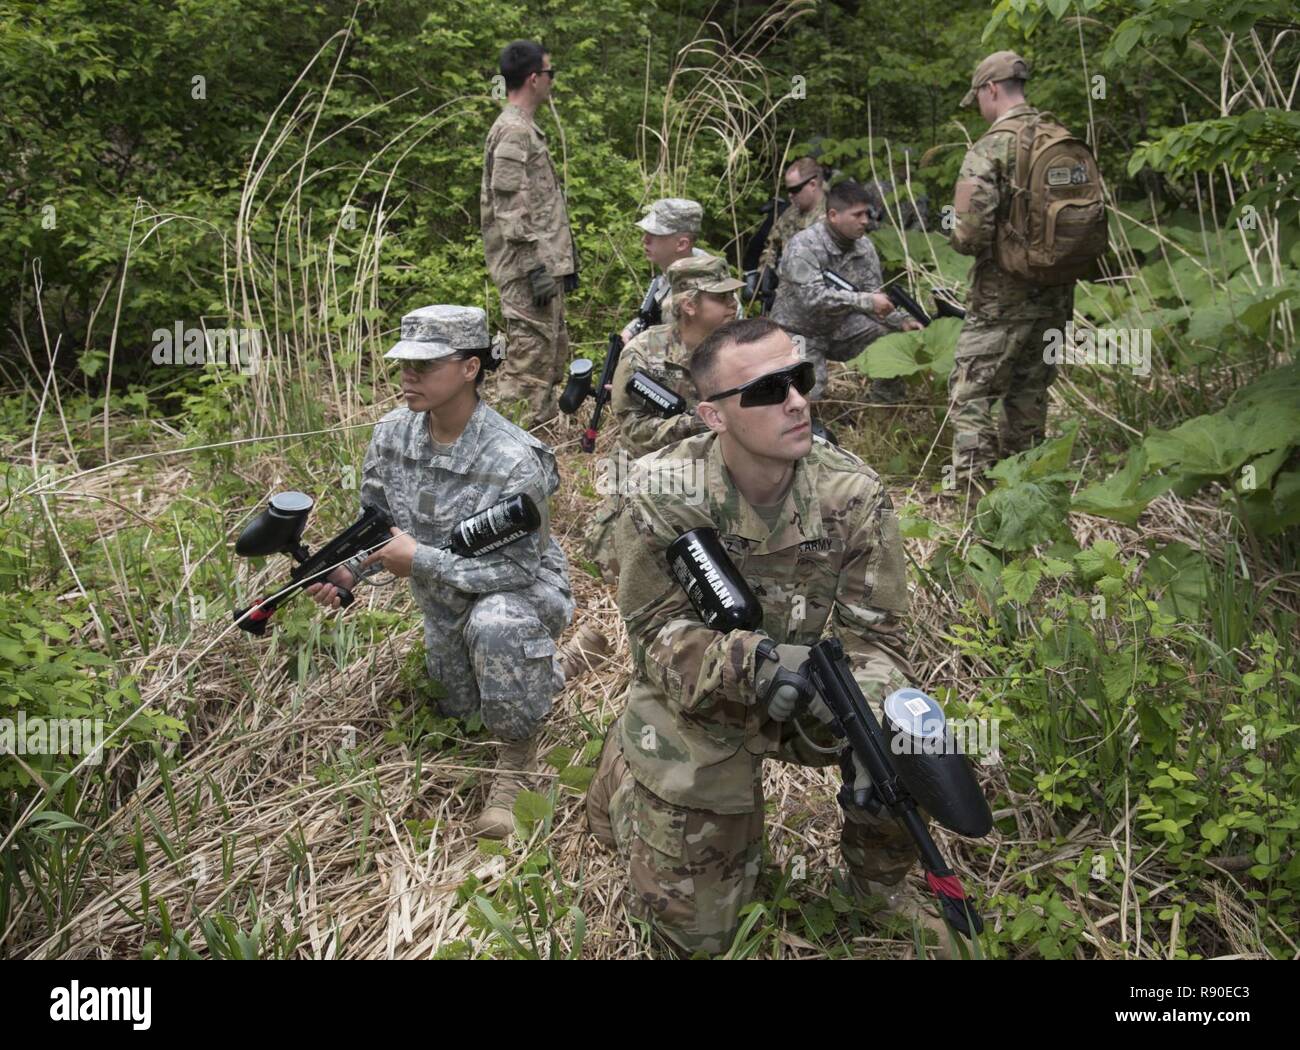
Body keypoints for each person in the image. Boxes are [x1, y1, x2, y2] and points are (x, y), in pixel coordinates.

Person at [586, 317, 951, 958]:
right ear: (714, 415)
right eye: (766, 390)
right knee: (700, 939)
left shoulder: (853, 493)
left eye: (800, 379)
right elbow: (652, 634)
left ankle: (878, 892)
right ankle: (630, 768)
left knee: (906, 737)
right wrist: (757, 665)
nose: (796, 401)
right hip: (703, 695)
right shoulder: (663, 491)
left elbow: (880, 641)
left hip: (816, 694)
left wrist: (865, 717)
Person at [306, 305, 575, 840]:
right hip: (446, 597)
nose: (409, 376)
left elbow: (516, 571)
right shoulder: (392, 435)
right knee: (460, 714)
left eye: (425, 365)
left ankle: (516, 766)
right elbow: (376, 526)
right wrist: (349, 572)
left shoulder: (513, 458)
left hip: (522, 593)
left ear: (470, 368)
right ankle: (565, 668)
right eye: (404, 364)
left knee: (498, 626)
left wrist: (420, 561)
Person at [947, 51, 1076, 494]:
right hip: (1056, 293)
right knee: (1029, 392)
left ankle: (973, 497)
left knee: (972, 394)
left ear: (991, 89)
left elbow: (968, 233)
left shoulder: (990, 147)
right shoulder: (1060, 137)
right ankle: (1028, 487)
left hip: (1000, 298)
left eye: (979, 98)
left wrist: (952, 224)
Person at [582, 254, 743, 586]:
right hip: (654, 467)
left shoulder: (738, 348)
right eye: (721, 297)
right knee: (615, 566)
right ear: (689, 305)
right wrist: (700, 424)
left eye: (733, 295)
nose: (733, 304)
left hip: (725, 466)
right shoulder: (644, 355)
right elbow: (634, 433)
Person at [480, 40, 578, 427]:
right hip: (527, 272)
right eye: (550, 73)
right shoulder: (513, 131)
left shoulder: (524, 129)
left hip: (539, 267)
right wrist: (535, 267)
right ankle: (500, 449)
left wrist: (559, 263)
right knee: (526, 367)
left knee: (548, 359)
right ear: (534, 78)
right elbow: (509, 210)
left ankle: (534, 445)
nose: (552, 81)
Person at [770, 180, 922, 404]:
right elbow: (813, 298)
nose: (865, 221)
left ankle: (884, 407)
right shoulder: (804, 245)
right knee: (808, 395)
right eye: (857, 214)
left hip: (840, 328)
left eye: (867, 214)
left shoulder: (865, 247)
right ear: (833, 215)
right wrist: (868, 301)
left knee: (891, 339)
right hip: (799, 332)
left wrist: (902, 321)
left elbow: (874, 296)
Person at [621, 198, 709, 345]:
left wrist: (641, 344)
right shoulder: (673, 271)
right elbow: (655, 312)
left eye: (654, 235)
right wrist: (630, 331)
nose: (644, 239)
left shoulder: (705, 286)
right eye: (645, 233)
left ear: (681, 244)